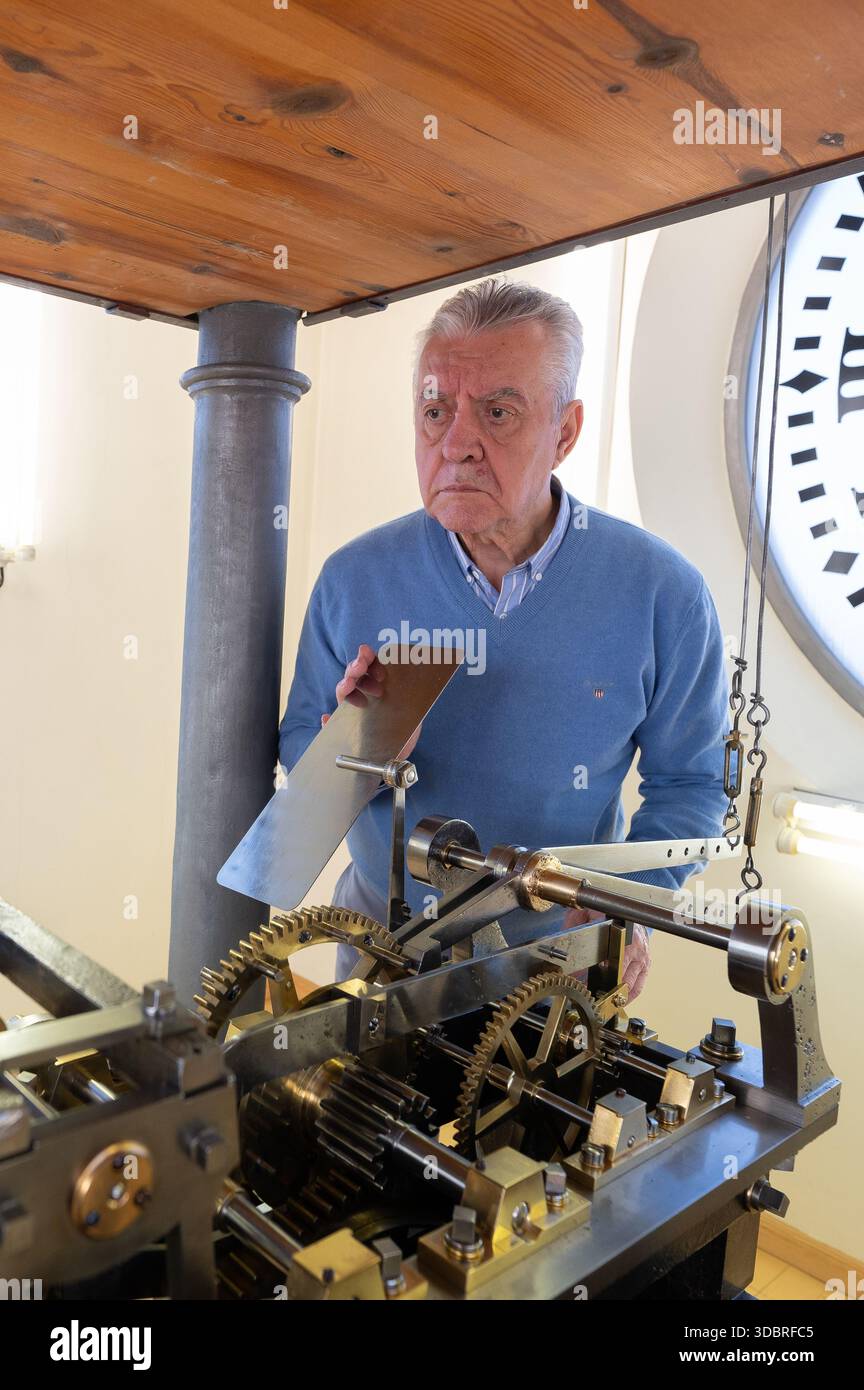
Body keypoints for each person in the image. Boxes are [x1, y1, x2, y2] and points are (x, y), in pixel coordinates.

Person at [279, 278, 729, 1002]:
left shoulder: (663, 594)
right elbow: (302, 754)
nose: (457, 444)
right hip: (378, 952)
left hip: (554, 972)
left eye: (497, 412)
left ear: (566, 432)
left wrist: (627, 908)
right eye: (435, 411)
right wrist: (360, 748)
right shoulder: (353, 579)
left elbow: (693, 785)